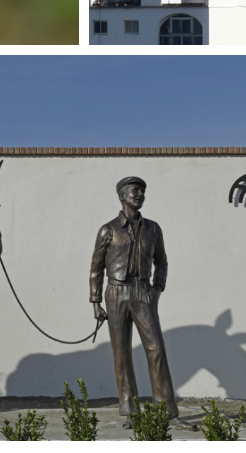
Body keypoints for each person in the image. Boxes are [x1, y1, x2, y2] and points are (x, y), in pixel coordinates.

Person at [89, 176, 191, 428]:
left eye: (142, 191)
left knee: (156, 348)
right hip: (115, 294)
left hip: (144, 292)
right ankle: (130, 410)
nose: (140, 194)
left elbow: (162, 261)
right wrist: (95, 302)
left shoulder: (153, 229)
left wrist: (157, 288)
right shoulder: (108, 229)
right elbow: (95, 268)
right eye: (135, 191)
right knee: (121, 352)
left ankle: (167, 411)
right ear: (122, 196)